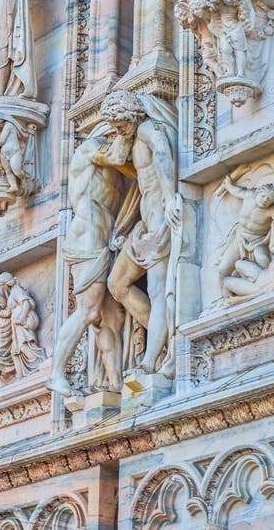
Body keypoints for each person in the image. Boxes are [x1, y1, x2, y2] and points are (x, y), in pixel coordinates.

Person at [93, 91, 181, 376]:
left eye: (119, 124)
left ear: (131, 116)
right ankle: (162, 340)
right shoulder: (131, 137)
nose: (118, 130)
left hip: (161, 221)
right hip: (145, 223)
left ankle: (150, 360)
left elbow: (164, 153)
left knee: (157, 292)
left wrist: (170, 199)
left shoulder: (147, 129)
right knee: (116, 284)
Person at [47, 135, 125, 397]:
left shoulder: (114, 178)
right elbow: (117, 156)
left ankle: (115, 383)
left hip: (106, 237)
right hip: (87, 237)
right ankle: (56, 373)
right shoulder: (89, 147)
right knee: (88, 311)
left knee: (113, 317)